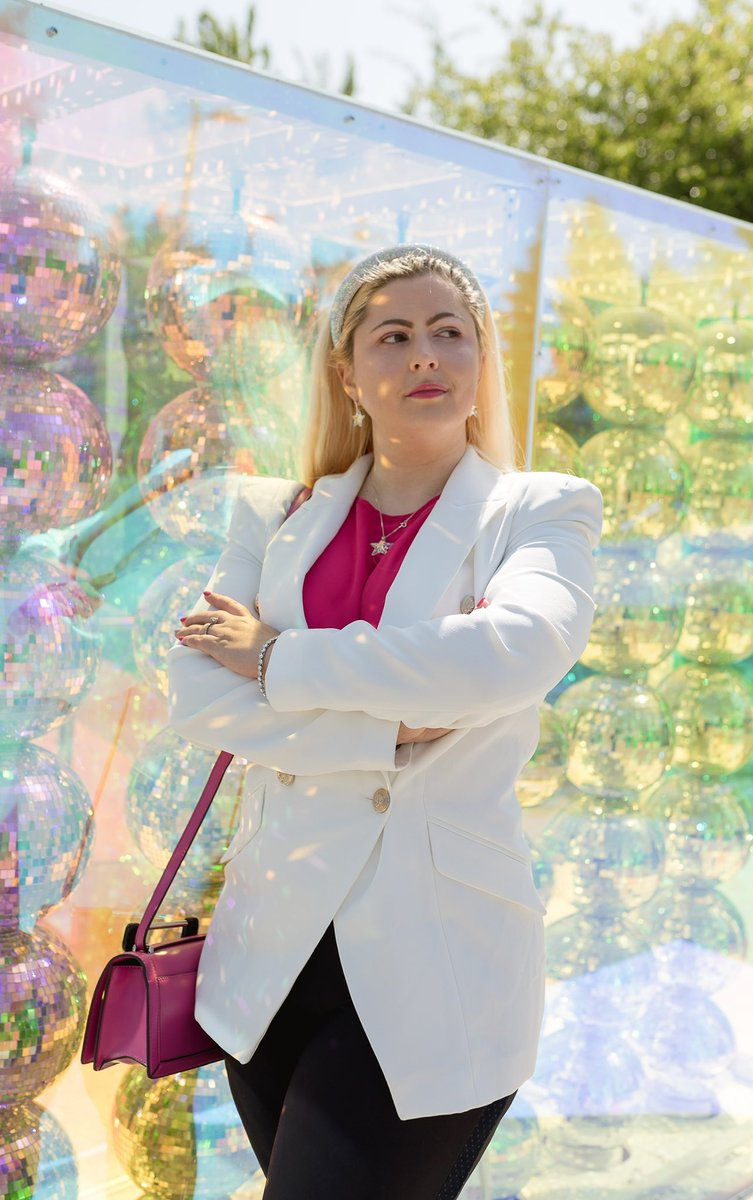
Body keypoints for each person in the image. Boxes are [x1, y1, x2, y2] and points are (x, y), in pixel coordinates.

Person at [166, 243, 602, 1199]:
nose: (425, 355)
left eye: (450, 333)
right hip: (269, 959)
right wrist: (379, 731)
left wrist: (278, 659)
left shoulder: (540, 512)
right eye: (393, 337)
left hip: (435, 967)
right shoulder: (273, 514)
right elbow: (198, 695)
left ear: (481, 361)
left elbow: (509, 655)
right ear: (348, 374)